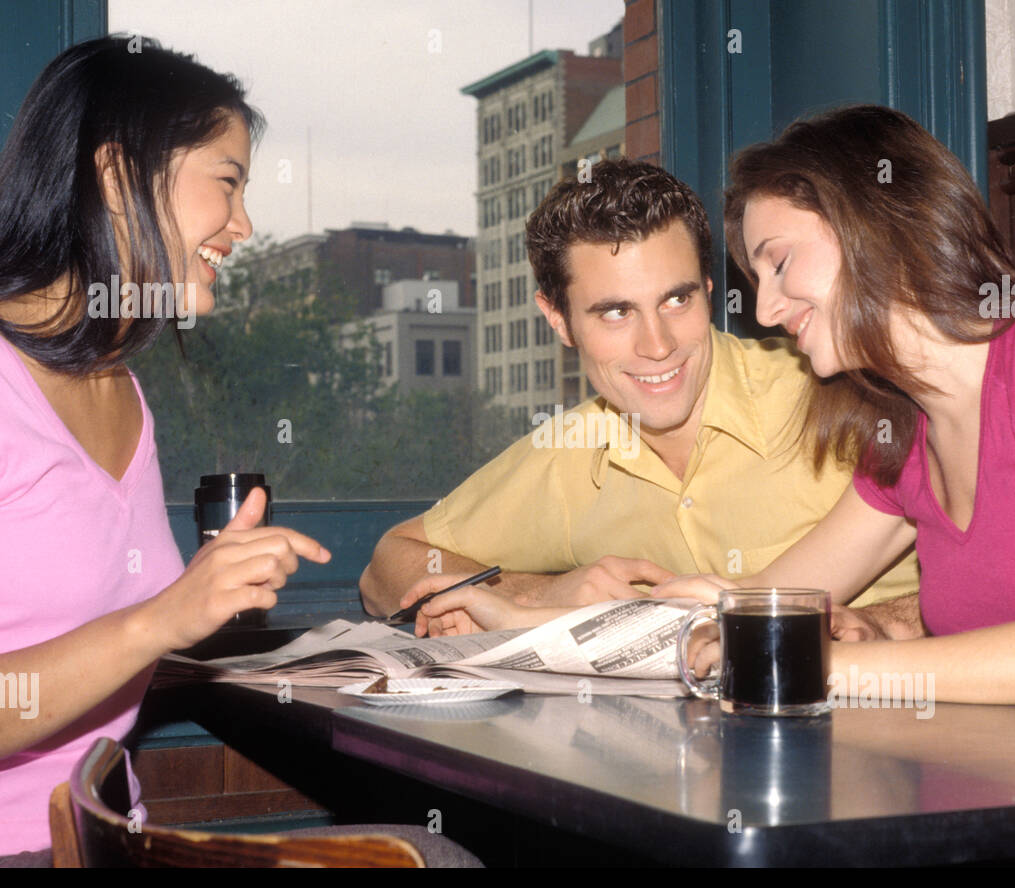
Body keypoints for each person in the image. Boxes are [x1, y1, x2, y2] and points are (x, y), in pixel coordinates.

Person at [647, 104, 1015, 714]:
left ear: (874, 221)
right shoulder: (905, 428)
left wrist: (820, 663)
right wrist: (719, 610)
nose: (765, 309)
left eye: (779, 262)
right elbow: (778, 600)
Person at [0, 36, 330, 865]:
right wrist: (164, 617)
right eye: (226, 182)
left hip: (115, 836)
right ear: (117, 176)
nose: (244, 225)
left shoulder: (120, 389)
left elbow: (102, 631)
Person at [359, 159, 920, 638]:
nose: (658, 345)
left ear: (707, 289)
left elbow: (993, 583)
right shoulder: (569, 448)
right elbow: (387, 566)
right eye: (616, 312)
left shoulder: (845, 395)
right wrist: (546, 593)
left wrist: (883, 622)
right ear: (558, 320)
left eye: (676, 301)